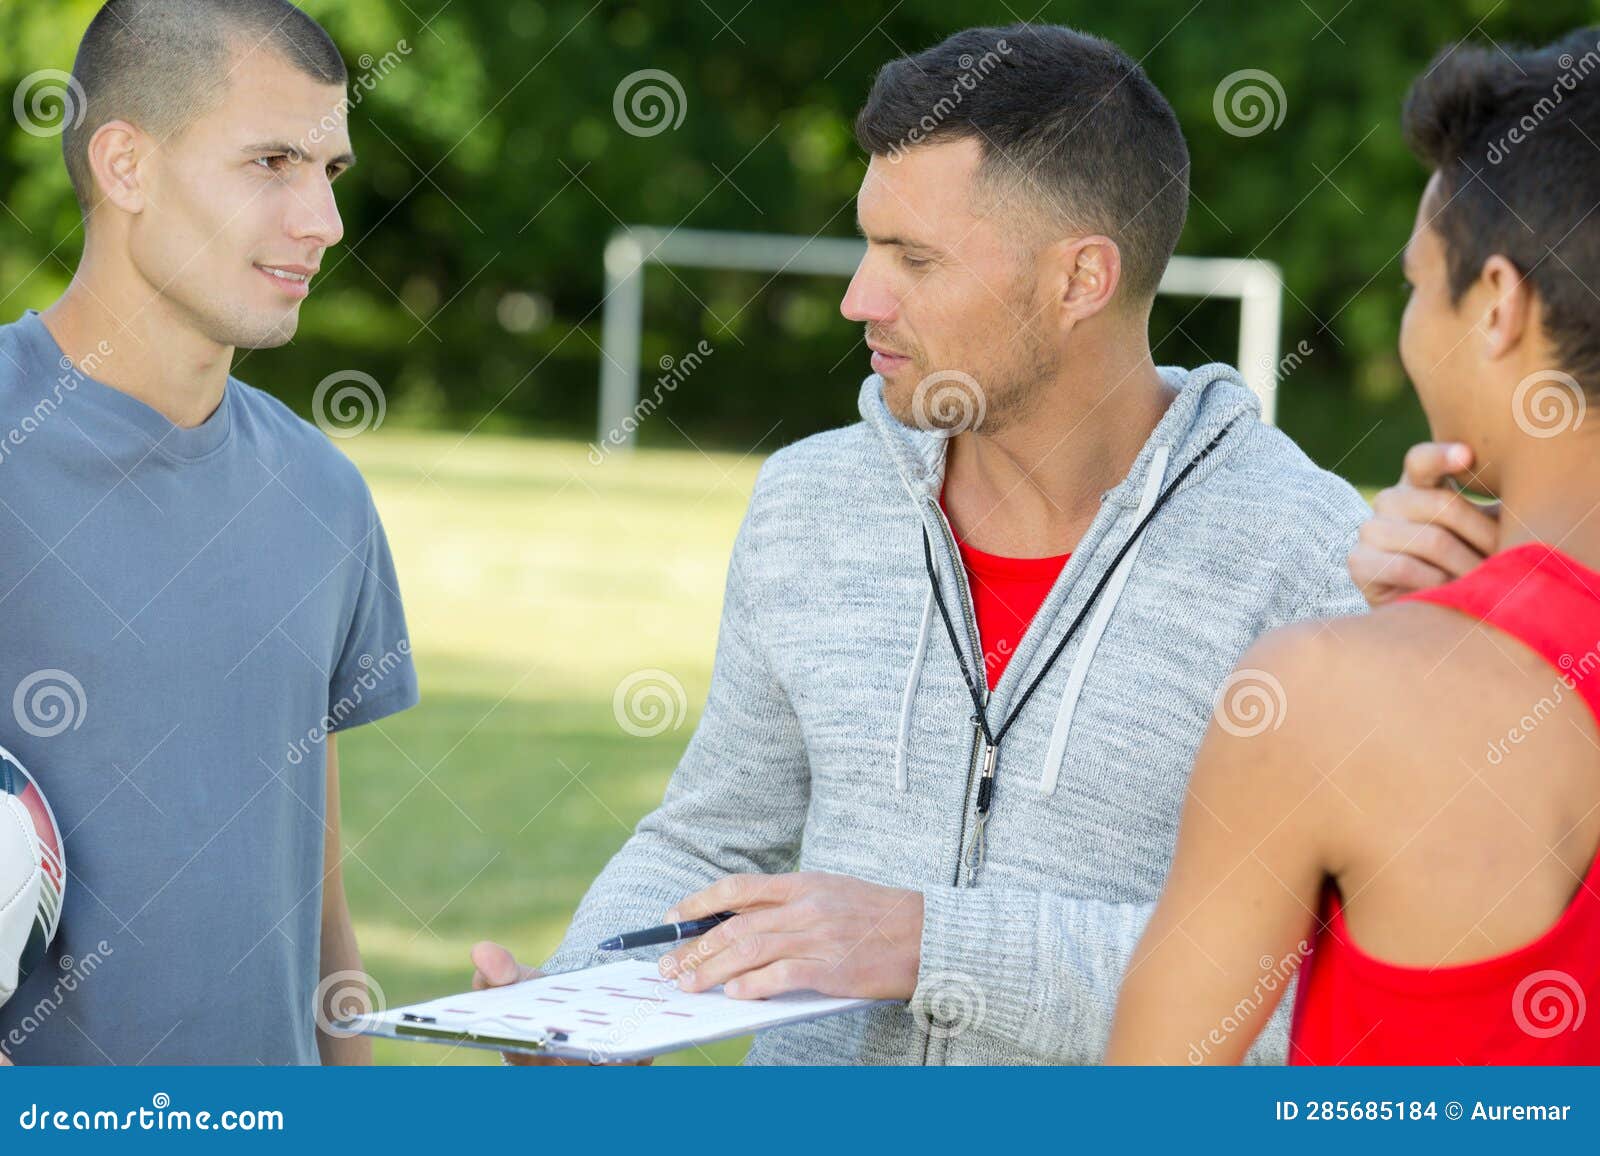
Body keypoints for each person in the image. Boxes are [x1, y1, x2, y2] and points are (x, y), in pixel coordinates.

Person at [472, 23, 1372, 1065]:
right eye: (867, 243)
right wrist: (578, 1003)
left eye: (914, 258)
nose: (859, 296)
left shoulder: (1312, 558)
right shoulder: (810, 502)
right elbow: (711, 834)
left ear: (1080, 279)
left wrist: (931, 944)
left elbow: (1313, 987)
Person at [1107, 28, 1600, 1065]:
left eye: (1420, 284)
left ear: (1500, 304)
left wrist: (1428, 657)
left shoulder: (1323, 693)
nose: (1409, 327)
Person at [0, 0, 417, 1064]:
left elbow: (318, 922)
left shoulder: (324, 496)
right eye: (271, 160)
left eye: (329, 170)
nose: (321, 219)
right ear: (127, 166)